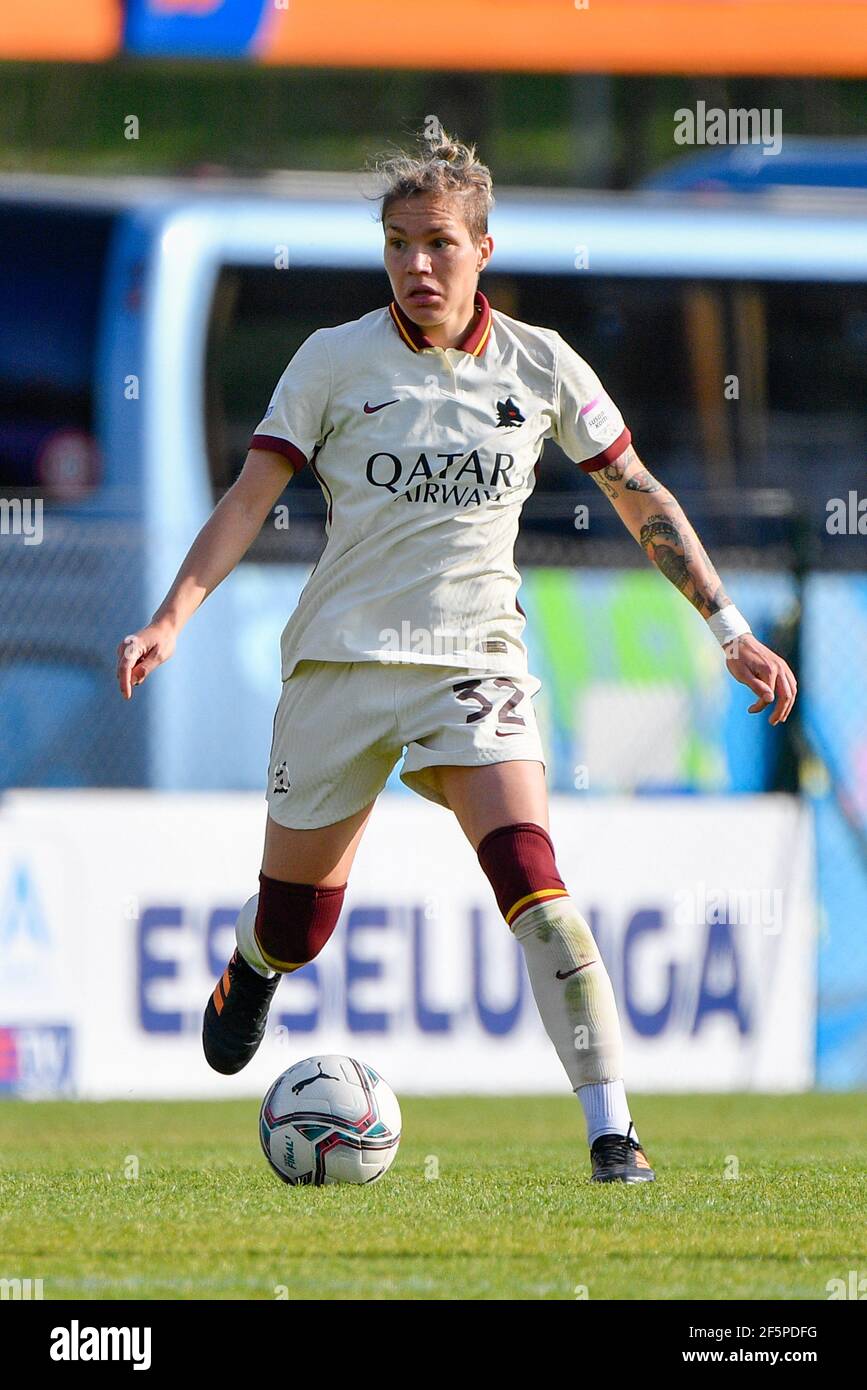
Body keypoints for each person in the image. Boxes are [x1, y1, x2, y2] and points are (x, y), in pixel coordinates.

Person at [116, 131, 797, 1184]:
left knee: (537, 885)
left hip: (473, 665)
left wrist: (729, 628)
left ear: (484, 246)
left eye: (437, 244)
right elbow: (249, 499)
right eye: (397, 245)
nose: (416, 266)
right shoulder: (333, 362)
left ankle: (614, 1132)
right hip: (341, 667)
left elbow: (642, 497)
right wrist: (172, 618)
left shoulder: (543, 363)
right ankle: (256, 961)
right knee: (299, 926)